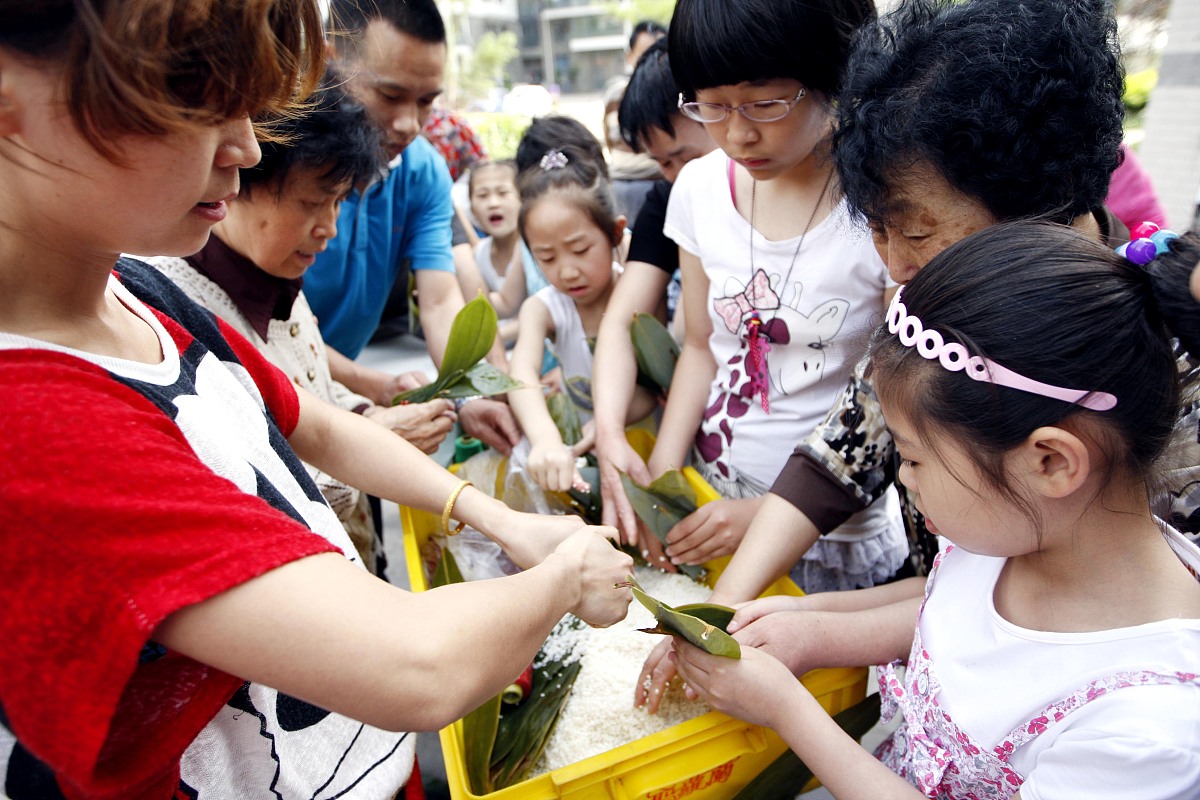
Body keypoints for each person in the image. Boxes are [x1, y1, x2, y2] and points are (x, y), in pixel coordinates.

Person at [0, 2, 633, 798]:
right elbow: (417, 667)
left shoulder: (138, 295)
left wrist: (499, 518)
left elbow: (316, 426)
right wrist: (566, 576)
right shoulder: (34, 425)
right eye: (198, 100)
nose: (246, 147)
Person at [635, 0, 1146, 714]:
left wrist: (816, 632)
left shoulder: (1145, 359)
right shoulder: (933, 308)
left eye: (916, 232)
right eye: (876, 230)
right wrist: (721, 611)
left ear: (1034, 201)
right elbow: (841, 455)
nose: (896, 267)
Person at [671, 221, 1200, 800]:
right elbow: (946, 604)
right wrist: (809, 626)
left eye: (914, 458)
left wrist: (787, 709)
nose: (903, 477)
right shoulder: (1021, 530)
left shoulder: (1149, 726)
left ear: (1050, 461)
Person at [637, 0, 906, 585]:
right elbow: (701, 347)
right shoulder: (700, 188)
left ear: (836, 74)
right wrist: (662, 471)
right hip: (711, 500)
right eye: (711, 106)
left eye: (765, 104)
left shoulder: (887, 204)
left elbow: (892, 394)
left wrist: (769, 514)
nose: (737, 134)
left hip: (828, 531)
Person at [146, 72, 455, 572]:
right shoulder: (174, 307)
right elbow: (243, 495)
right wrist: (372, 445)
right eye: (311, 203)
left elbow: (311, 392)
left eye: (338, 202)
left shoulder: (276, 274)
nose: (328, 228)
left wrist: (369, 411)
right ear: (239, 181)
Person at [305, 0, 520, 455]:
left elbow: (440, 301)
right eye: (389, 95)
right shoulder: (279, 156)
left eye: (426, 102)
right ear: (329, 61)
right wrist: (375, 385)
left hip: (337, 385)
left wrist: (466, 394)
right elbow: (263, 325)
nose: (409, 124)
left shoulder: (423, 170)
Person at [592, 38, 717, 542]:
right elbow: (622, 321)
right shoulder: (669, 200)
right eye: (662, 163)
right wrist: (608, 432)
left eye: (683, 157)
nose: (676, 177)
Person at [508, 146, 655, 493]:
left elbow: (653, 390)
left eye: (580, 250)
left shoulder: (642, 294)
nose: (567, 271)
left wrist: (606, 425)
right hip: (582, 454)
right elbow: (521, 372)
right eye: (547, 257)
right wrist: (545, 438)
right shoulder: (543, 308)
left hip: (647, 444)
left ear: (615, 233)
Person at [454, 159, 548, 344]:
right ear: (471, 207)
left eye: (503, 193)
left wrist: (490, 340)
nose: (493, 203)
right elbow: (499, 304)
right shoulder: (478, 255)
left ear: (523, 198)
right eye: (482, 195)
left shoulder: (535, 249)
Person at [603, 20, 669, 222]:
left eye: (658, 53)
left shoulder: (673, 92)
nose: (651, 61)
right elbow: (610, 138)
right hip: (622, 183)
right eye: (644, 54)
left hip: (658, 182)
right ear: (630, 57)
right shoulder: (616, 94)